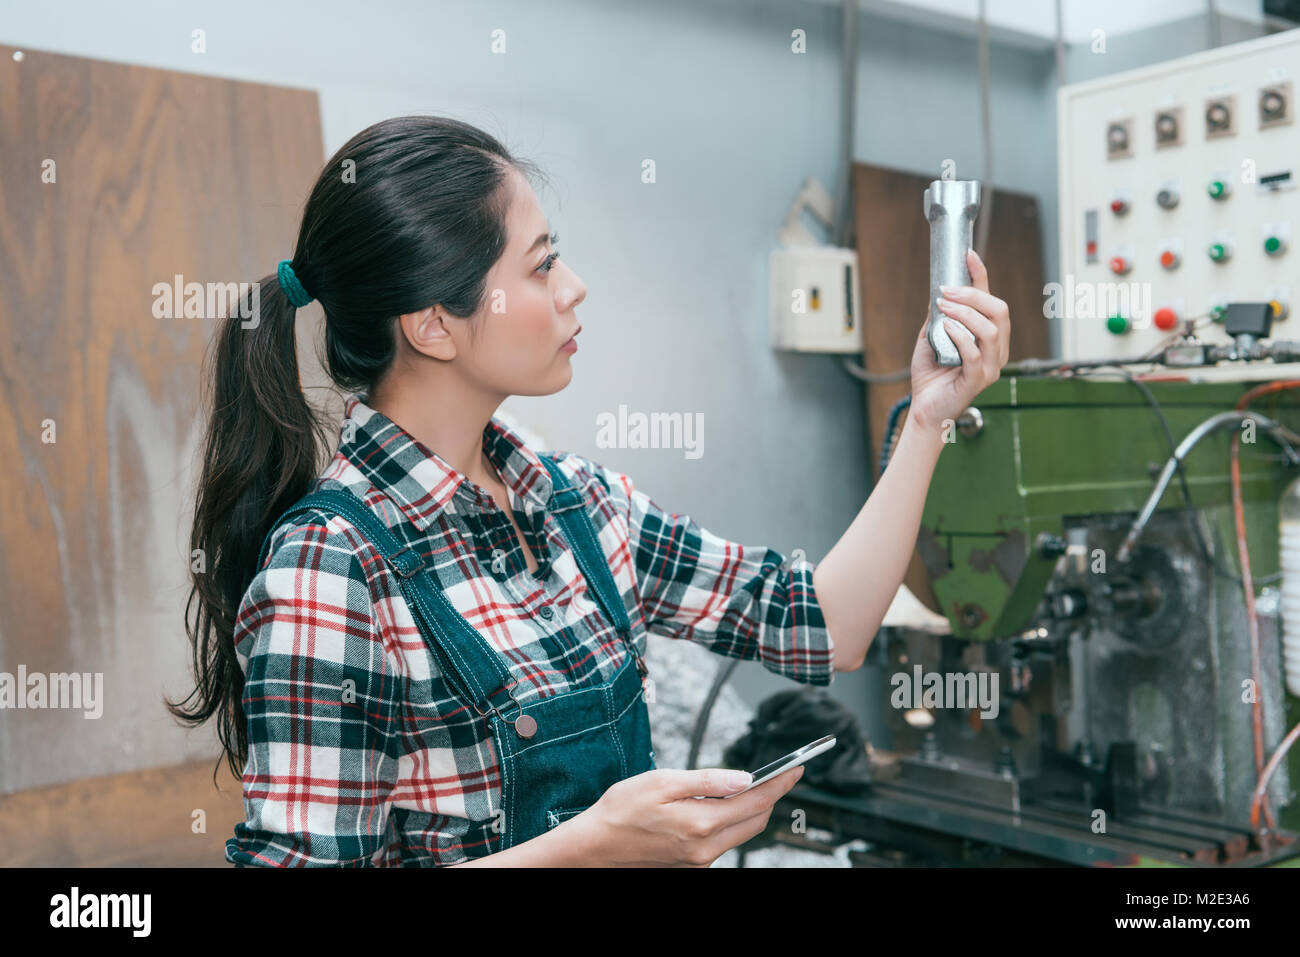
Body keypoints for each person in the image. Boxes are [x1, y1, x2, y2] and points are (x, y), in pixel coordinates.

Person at [167, 114, 1009, 868]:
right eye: (541, 267)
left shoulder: (571, 501)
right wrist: (593, 847)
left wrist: (929, 417)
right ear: (432, 324)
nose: (573, 287)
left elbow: (821, 623)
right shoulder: (332, 567)